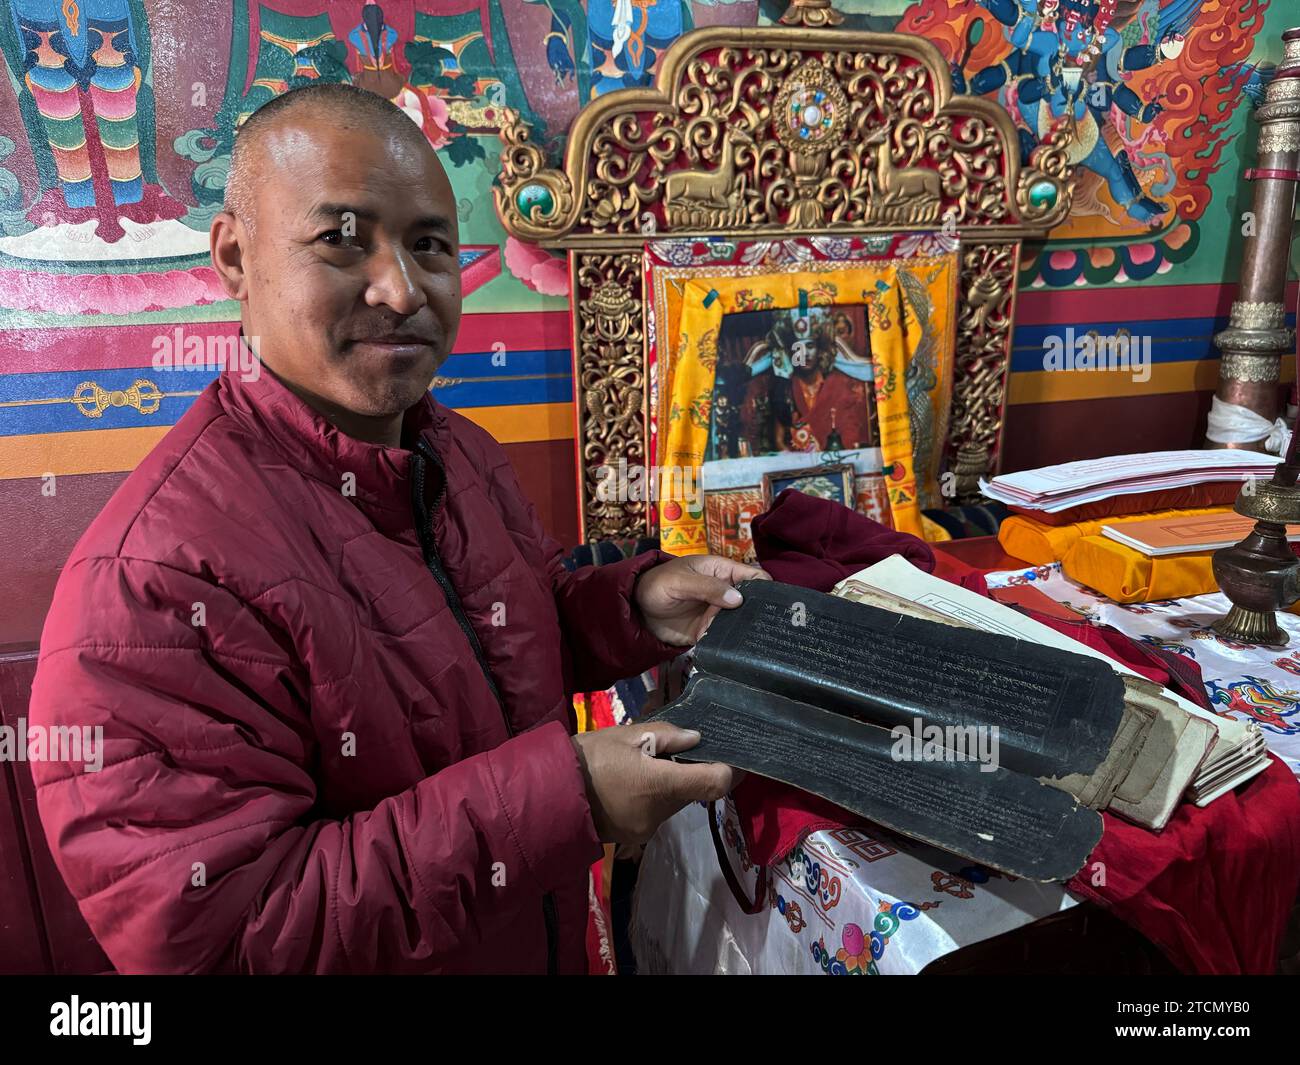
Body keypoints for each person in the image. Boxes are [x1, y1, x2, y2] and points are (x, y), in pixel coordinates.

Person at [27, 83, 764, 974]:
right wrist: (566, 797)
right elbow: (225, 939)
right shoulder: (153, 582)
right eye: (343, 239)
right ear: (234, 257)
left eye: (429, 246)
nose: (402, 288)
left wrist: (633, 607)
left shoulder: (457, 450)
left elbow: (499, 638)